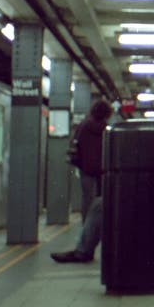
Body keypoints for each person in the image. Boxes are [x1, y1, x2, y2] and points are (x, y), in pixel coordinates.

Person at [51, 98, 112, 263]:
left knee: (89, 201)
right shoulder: (106, 130)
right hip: (103, 171)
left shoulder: (84, 126)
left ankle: (86, 228)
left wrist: (81, 163)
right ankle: (91, 236)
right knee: (100, 202)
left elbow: (75, 146)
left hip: (86, 169)